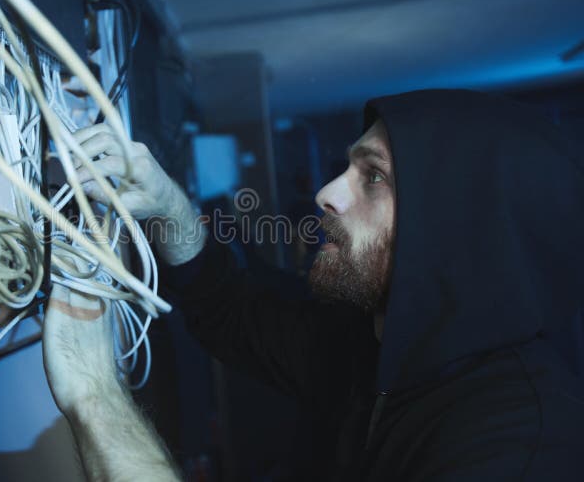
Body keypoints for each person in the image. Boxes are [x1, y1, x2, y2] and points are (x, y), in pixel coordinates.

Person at [43, 89, 584, 480]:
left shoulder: (520, 445)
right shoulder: (375, 340)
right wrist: (167, 207)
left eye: (373, 177)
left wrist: (95, 394)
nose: (326, 192)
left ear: (459, 224)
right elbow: (234, 308)